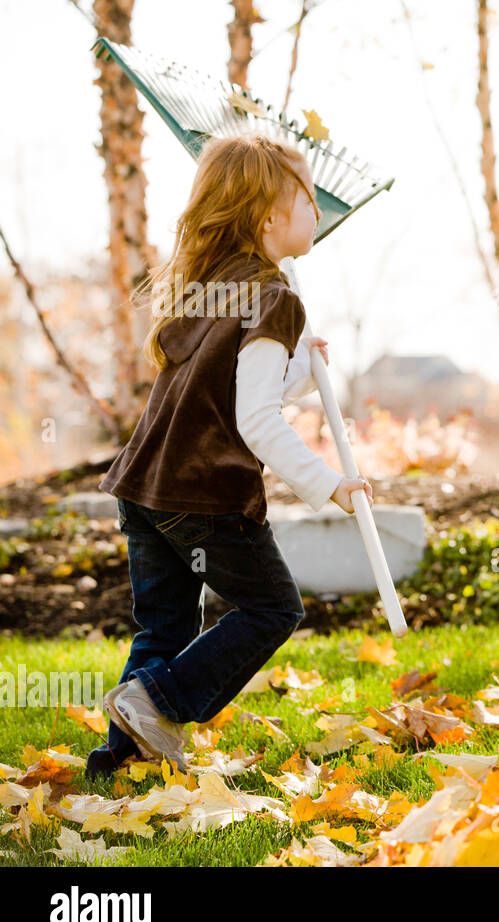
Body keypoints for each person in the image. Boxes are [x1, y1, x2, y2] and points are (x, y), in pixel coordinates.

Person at [86, 132, 372, 781]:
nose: (317, 209)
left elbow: (232, 388)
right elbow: (256, 419)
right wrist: (330, 485)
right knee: (273, 608)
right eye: (306, 196)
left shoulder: (209, 286)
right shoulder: (274, 296)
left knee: (164, 630)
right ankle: (160, 701)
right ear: (270, 212)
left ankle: (120, 763)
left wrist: (300, 366)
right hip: (205, 494)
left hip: (146, 488)